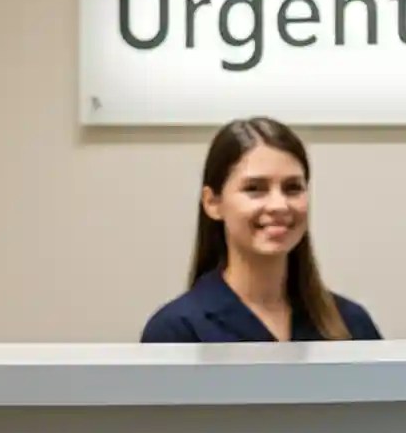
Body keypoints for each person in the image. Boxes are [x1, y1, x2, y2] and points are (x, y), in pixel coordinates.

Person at [140, 116, 383, 343]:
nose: (279, 205)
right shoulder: (176, 332)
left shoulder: (351, 324)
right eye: (255, 188)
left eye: (292, 188)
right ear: (213, 203)